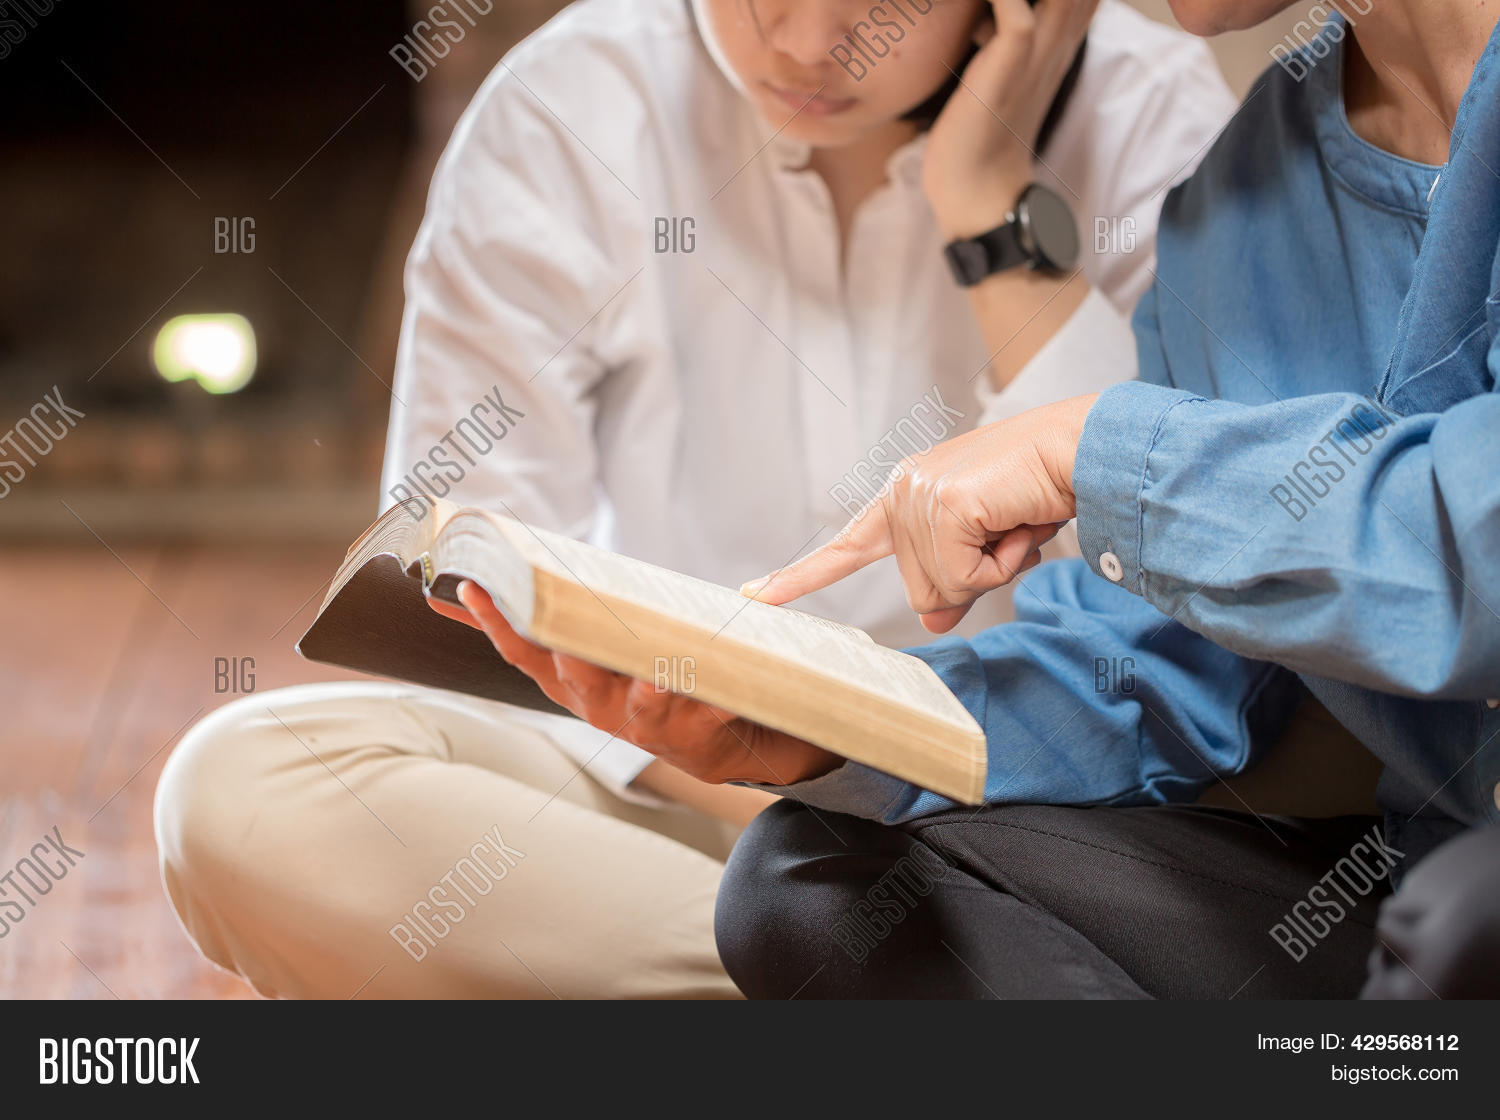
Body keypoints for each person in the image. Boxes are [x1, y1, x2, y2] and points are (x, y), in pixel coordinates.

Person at [152, 0, 1236, 997]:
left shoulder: (1152, 113)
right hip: (663, 804)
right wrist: (739, 761)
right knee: (242, 795)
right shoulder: (566, 107)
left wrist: (996, 212)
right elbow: (471, 573)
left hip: (1020, 829)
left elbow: (1178, 604)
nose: (807, 44)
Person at [452, 0, 1500, 998]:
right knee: (806, 883)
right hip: (1415, 890)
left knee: (1465, 919)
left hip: (1457, 906)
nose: (811, 40)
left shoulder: (1165, 129)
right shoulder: (1240, 199)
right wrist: (833, 726)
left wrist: (1096, 454)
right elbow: (1163, 660)